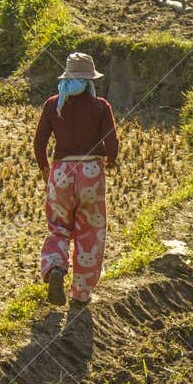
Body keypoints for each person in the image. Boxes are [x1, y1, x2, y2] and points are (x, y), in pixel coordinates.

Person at [34, 52, 120, 309]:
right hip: (91, 173)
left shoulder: (52, 104)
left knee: (59, 227)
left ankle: (55, 268)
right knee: (90, 232)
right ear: (91, 80)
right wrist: (111, 161)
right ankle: (81, 293)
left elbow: (39, 144)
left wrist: (44, 169)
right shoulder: (101, 106)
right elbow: (112, 143)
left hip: (60, 173)